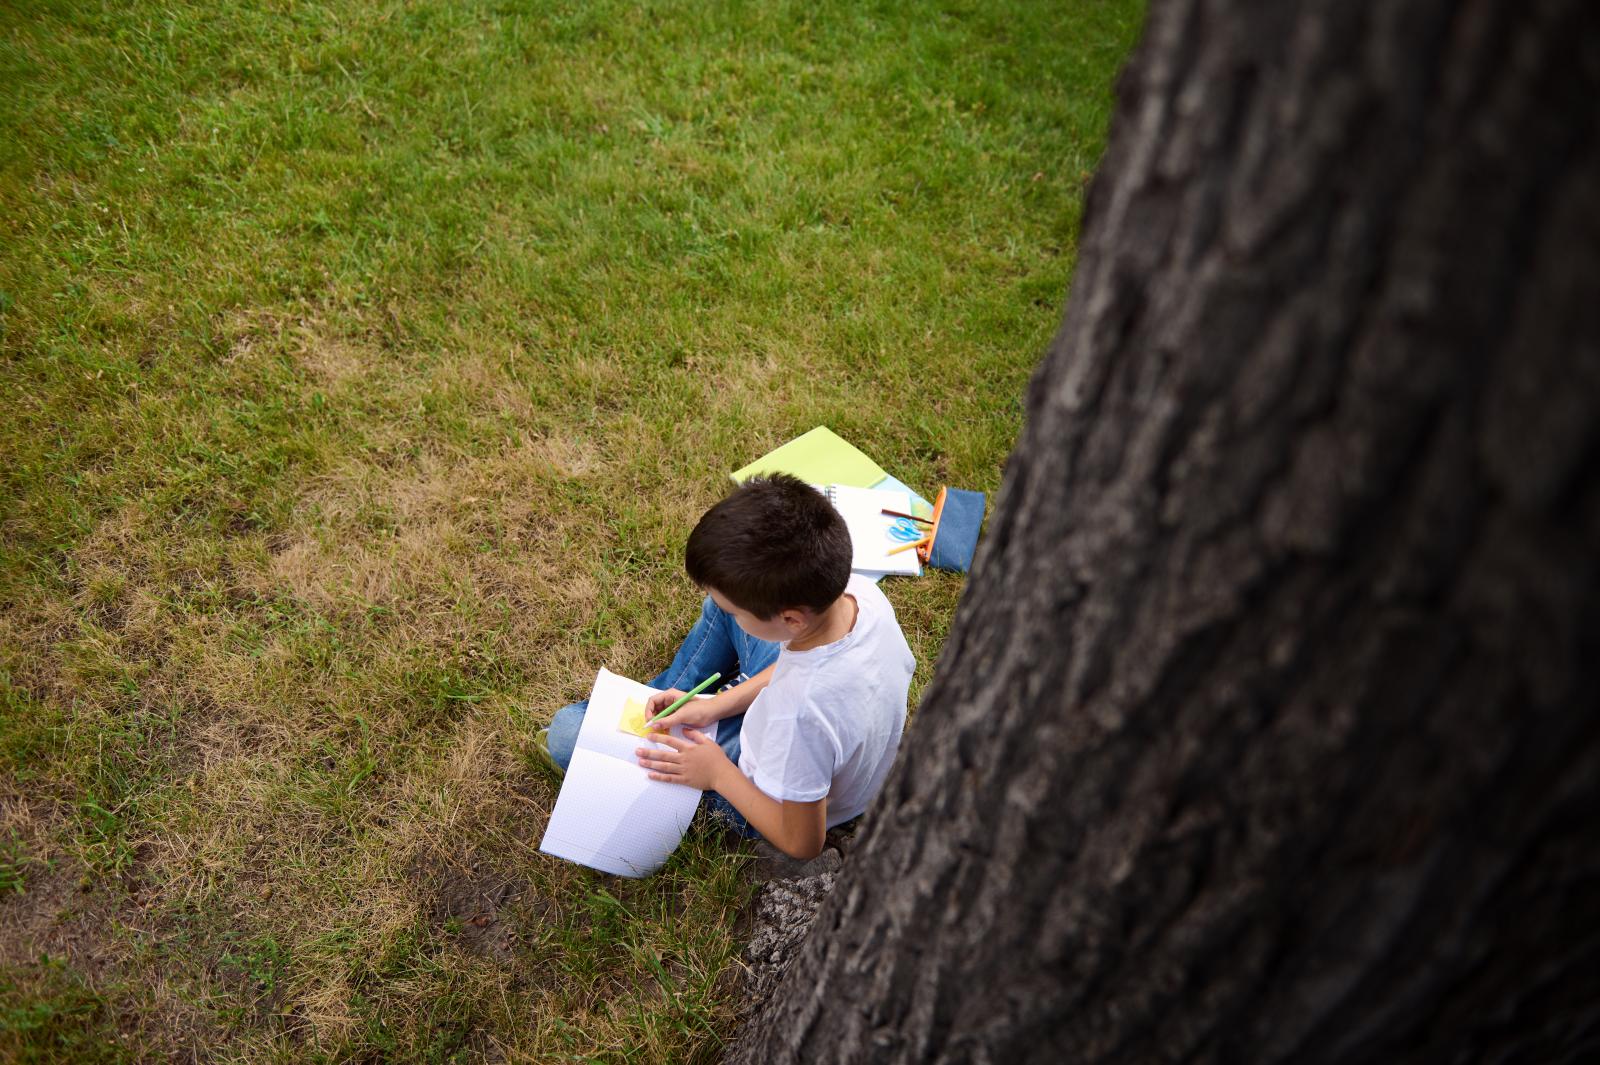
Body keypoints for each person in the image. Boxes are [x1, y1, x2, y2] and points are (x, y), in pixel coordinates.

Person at [537, 473, 916, 859]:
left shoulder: (798, 716)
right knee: (723, 600)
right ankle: (687, 703)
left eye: (737, 614)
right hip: (809, 730)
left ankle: (646, 729)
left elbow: (803, 843)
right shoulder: (859, 594)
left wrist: (717, 773)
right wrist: (717, 705)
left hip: (759, 792)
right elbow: (799, 670)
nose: (730, 615)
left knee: (566, 734)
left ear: (791, 620)